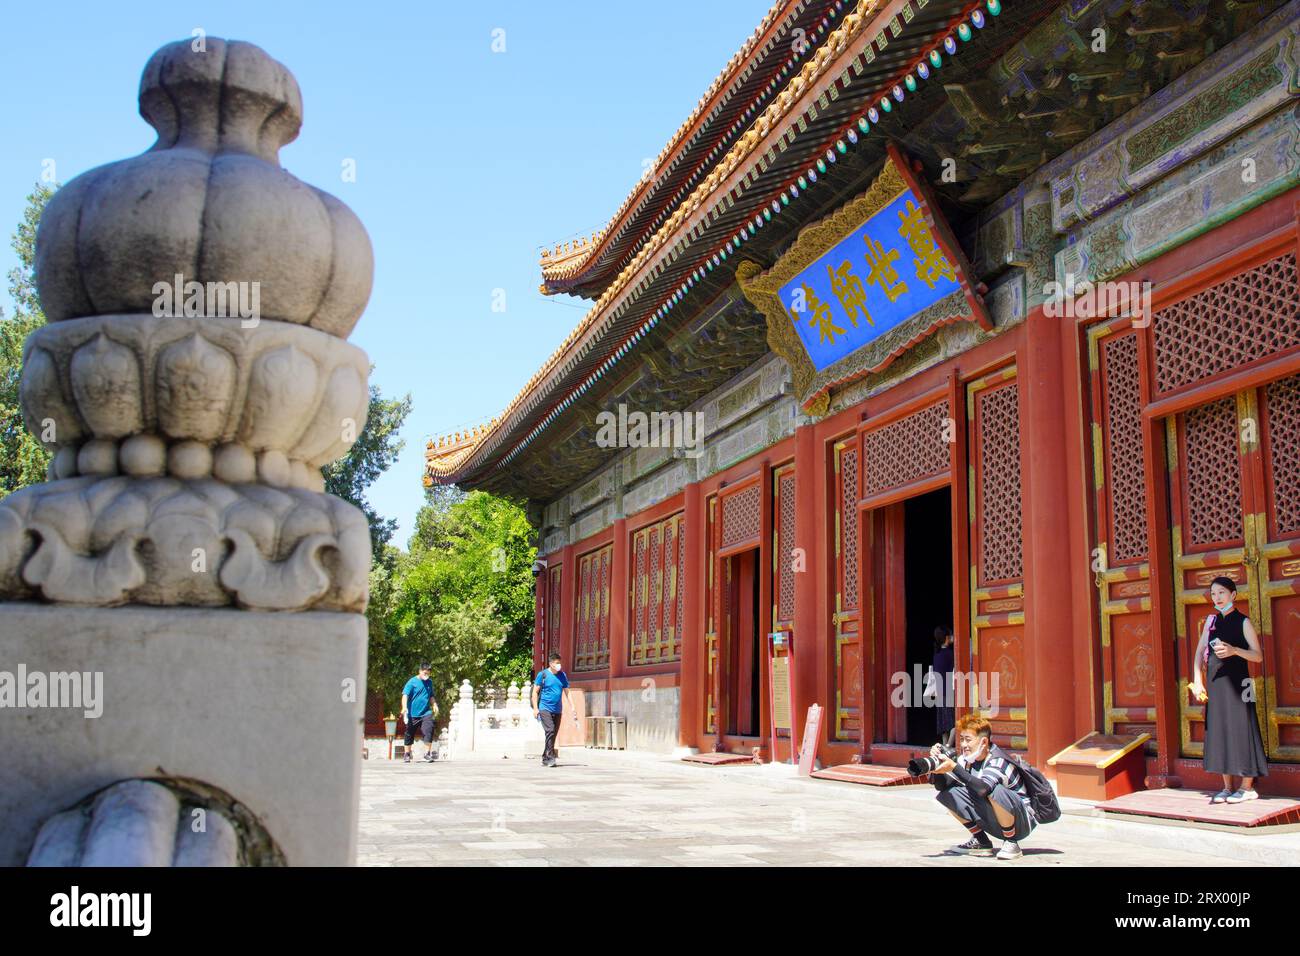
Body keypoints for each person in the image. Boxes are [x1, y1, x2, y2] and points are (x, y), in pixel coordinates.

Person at [1189, 576, 1268, 803]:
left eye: (1222, 593)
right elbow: (1199, 651)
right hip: (1216, 685)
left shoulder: (1243, 622)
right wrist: (1198, 680)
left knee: (1243, 729)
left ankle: (1247, 787)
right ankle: (1226, 786)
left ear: (1233, 594)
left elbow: (1258, 655)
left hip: (1240, 684)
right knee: (1220, 731)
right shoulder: (1211, 622)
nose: (1217, 598)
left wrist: (1234, 650)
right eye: (1213, 594)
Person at [930, 713, 1036, 860]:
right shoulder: (966, 760)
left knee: (995, 790)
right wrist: (938, 768)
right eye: (961, 739)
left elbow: (984, 788)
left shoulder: (997, 761)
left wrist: (954, 767)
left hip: (1022, 822)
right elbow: (943, 787)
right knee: (949, 793)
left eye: (968, 740)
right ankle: (981, 841)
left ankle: (1011, 842)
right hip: (997, 820)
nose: (964, 745)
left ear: (984, 742)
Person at [531, 653, 574, 767]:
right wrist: (535, 708)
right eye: (556, 663)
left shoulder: (562, 675)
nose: (559, 665)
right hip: (544, 708)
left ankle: (545, 757)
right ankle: (551, 757)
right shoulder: (543, 675)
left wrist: (572, 706)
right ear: (551, 663)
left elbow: (567, 691)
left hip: (557, 709)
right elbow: (535, 692)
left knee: (553, 734)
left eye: (560, 662)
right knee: (550, 730)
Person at [401, 663, 439, 764]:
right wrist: (404, 707)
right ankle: (407, 754)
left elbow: (431, 696)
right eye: (425, 673)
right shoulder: (412, 682)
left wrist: (434, 704)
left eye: (428, 673)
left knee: (429, 730)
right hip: (412, 714)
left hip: (426, 712)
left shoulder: (429, 682)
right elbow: (405, 695)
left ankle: (427, 753)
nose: (426, 675)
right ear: (420, 671)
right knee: (409, 734)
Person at [931, 625, 955, 747]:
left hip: (939, 692)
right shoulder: (950, 654)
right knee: (954, 722)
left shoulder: (937, 655)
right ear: (947, 638)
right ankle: (948, 747)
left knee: (943, 724)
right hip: (949, 691)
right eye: (951, 635)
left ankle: (944, 745)